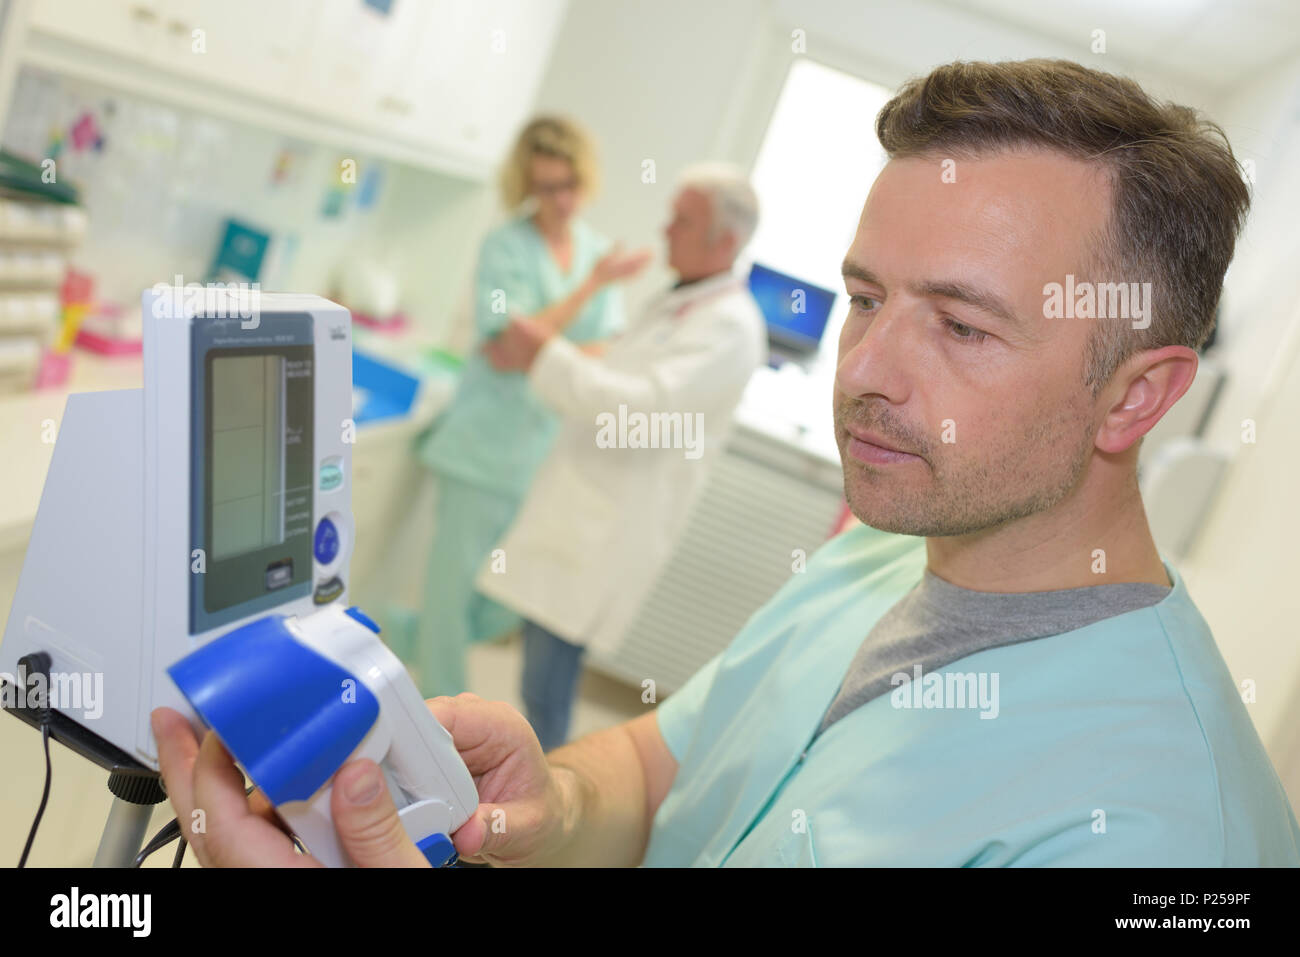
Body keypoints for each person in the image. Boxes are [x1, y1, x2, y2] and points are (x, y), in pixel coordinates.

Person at [153, 59, 1300, 867]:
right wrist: (554, 800)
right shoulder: (873, 565)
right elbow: (658, 774)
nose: (866, 371)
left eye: (960, 326)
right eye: (863, 299)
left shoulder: (1161, 830)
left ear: (1136, 394)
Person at [475, 163, 766, 752]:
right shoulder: (678, 301)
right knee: (539, 681)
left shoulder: (731, 327)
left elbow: (641, 413)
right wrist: (569, 353)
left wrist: (548, 356)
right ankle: (530, 802)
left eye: (682, 221)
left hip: (604, 530)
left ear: (726, 241)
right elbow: (624, 373)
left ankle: (536, 818)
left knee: (545, 692)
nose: (665, 229)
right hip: (581, 511)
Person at [411, 116, 650, 698]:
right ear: (526, 186)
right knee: (450, 598)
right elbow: (509, 348)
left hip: (543, 457)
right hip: (481, 448)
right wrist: (587, 292)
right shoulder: (506, 247)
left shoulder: (596, 249)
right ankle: (444, 724)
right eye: (546, 187)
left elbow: (604, 352)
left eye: (569, 184)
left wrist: (543, 342)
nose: (561, 200)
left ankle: (403, 636)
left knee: (503, 604)